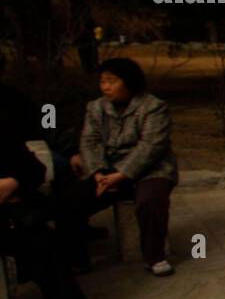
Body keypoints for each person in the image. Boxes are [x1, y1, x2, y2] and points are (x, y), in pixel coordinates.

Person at [57, 58, 178, 277]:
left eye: (111, 81)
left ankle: (154, 256)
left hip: (152, 170)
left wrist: (121, 174)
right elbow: (89, 141)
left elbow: (150, 146)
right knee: (70, 199)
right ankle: (77, 259)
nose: (105, 87)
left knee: (150, 201)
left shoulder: (153, 107)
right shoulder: (96, 107)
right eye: (102, 81)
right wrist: (98, 173)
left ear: (129, 82)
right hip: (107, 170)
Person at [0, 132, 113, 299]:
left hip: (18, 211)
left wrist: (14, 183)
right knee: (37, 242)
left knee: (51, 230)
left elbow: (36, 168)